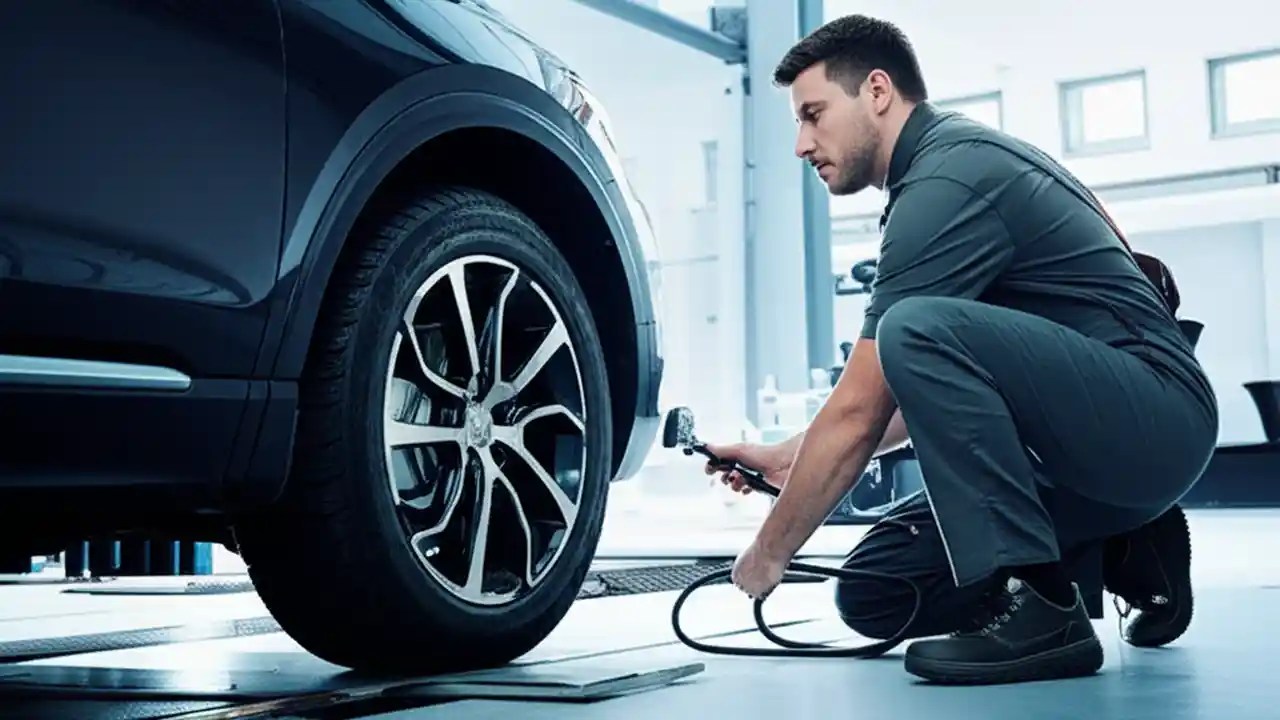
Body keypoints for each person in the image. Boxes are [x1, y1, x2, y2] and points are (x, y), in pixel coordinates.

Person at [706, 14, 1218, 685]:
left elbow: (866, 402)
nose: (801, 143)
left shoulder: (951, 181)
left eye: (813, 114)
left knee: (911, 326)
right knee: (877, 594)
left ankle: (1042, 611)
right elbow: (914, 386)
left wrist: (768, 553)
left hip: (1152, 422)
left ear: (878, 92)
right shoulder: (946, 173)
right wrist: (785, 459)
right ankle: (1125, 544)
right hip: (1085, 445)